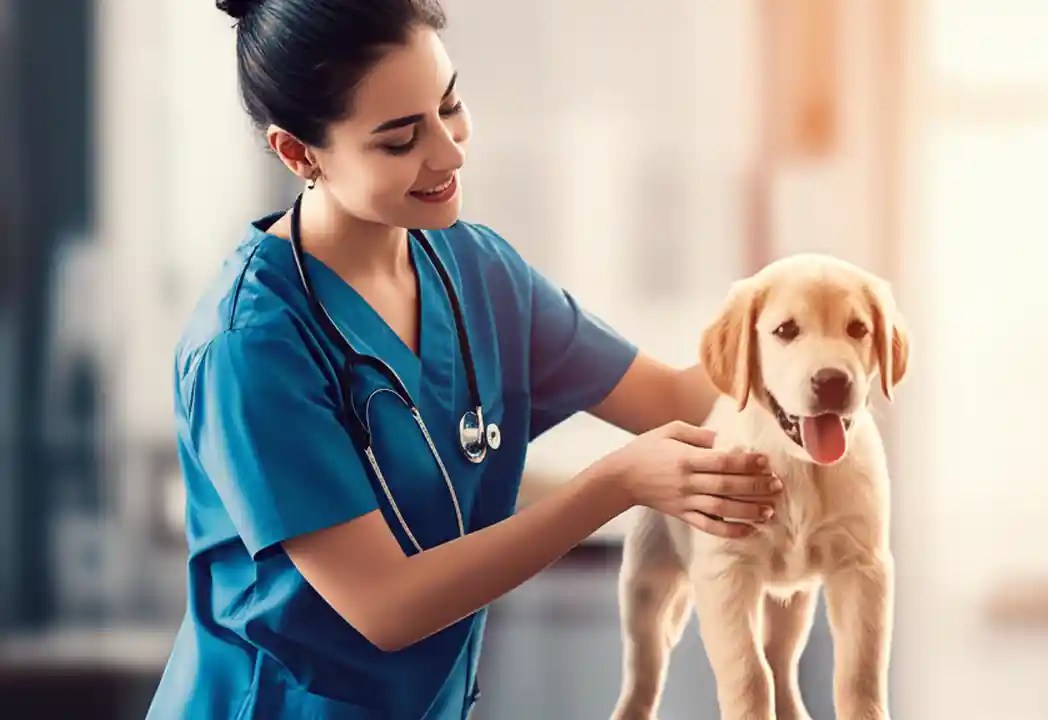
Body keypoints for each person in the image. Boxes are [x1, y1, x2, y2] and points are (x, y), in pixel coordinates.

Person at [146, 1, 782, 718]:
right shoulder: (252, 345)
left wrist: (795, 325)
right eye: (399, 140)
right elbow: (385, 606)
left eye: (450, 106)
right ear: (300, 154)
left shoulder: (477, 271)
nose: (448, 153)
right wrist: (615, 484)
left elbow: (672, 399)